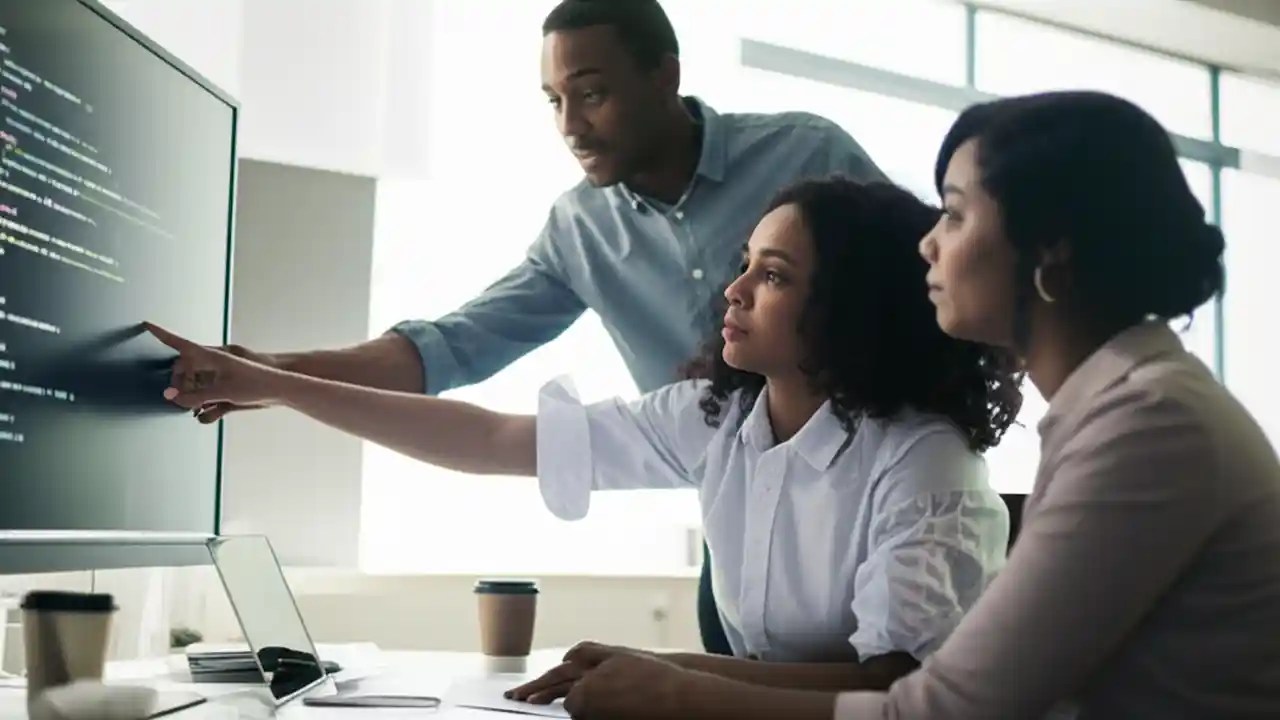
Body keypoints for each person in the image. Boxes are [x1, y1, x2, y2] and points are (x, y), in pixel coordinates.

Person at [527, 90, 1280, 720]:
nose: (928, 245)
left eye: (953, 215)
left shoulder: (1150, 426)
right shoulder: (1122, 408)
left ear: (1051, 255)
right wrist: (667, 672)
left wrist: (681, 692)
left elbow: (945, 709)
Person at [191, 0, 884, 655]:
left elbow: (925, 296)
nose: (570, 126)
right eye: (554, 101)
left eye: (590, 93)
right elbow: (453, 356)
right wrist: (272, 377)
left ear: (663, 75)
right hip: (737, 522)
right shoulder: (585, 241)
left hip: (864, 492)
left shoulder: (806, 155)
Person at [146, 176, 1022, 694]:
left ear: (850, 310)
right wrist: (280, 387)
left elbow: (893, 686)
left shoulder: (924, 461)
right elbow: (489, 440)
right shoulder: (719, 418)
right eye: (744, 263)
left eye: (775, 275)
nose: (735, 289)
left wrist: (671, 678)